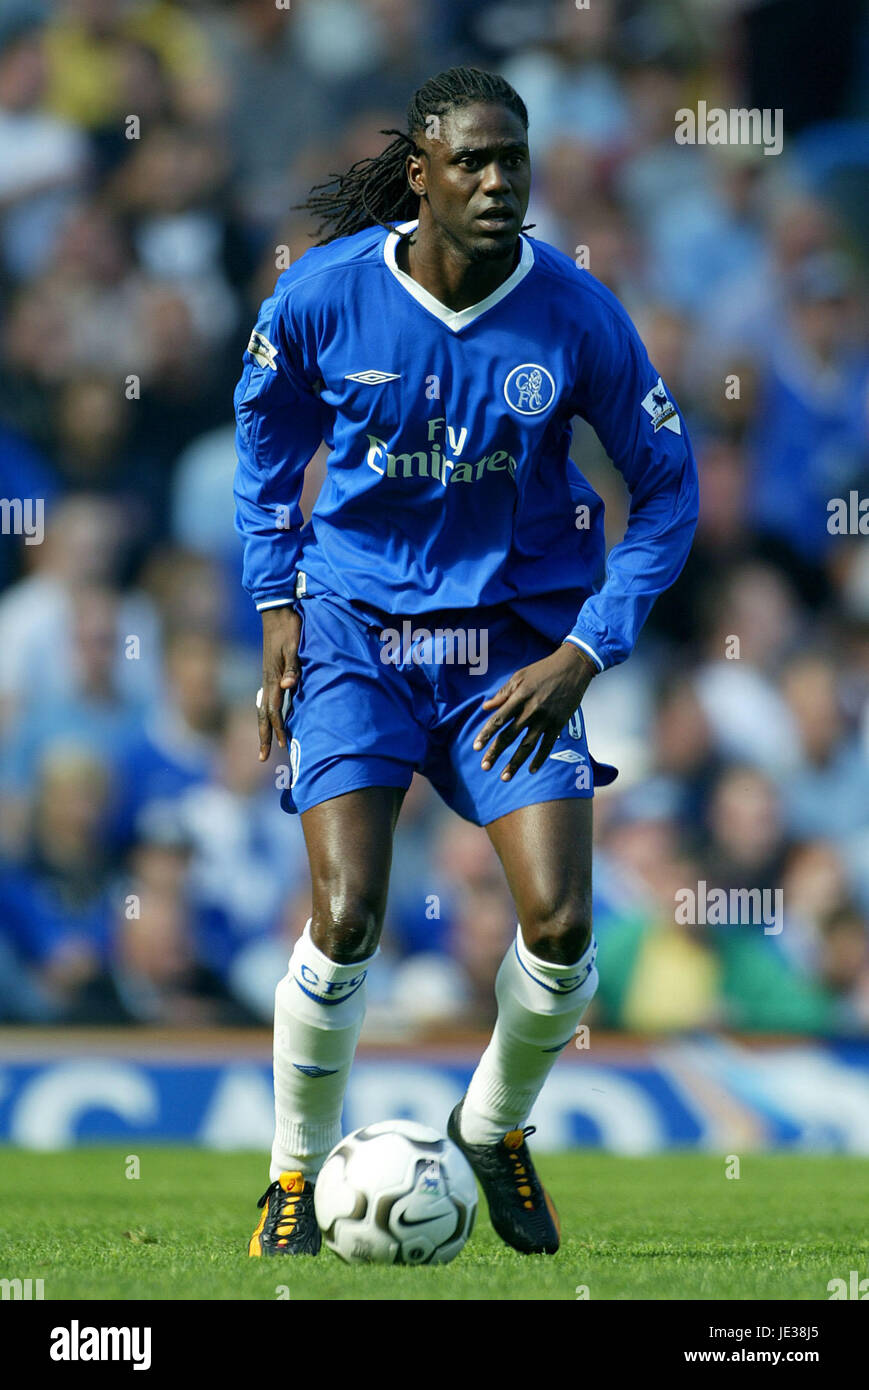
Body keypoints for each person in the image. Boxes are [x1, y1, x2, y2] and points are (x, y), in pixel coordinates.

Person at [234, 67, 698, 1257]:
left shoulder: (577, 314)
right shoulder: (325, 296)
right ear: (420, 176)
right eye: (475, 164)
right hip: (357, 639)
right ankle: (294, 1173)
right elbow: (265, 427)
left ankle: (491, 1128)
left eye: (516, 162)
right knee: (347, 915)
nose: (500, 183)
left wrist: (588, 650)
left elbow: (666, 493)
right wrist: (276, 597)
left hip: (510, 651)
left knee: (559, 928)